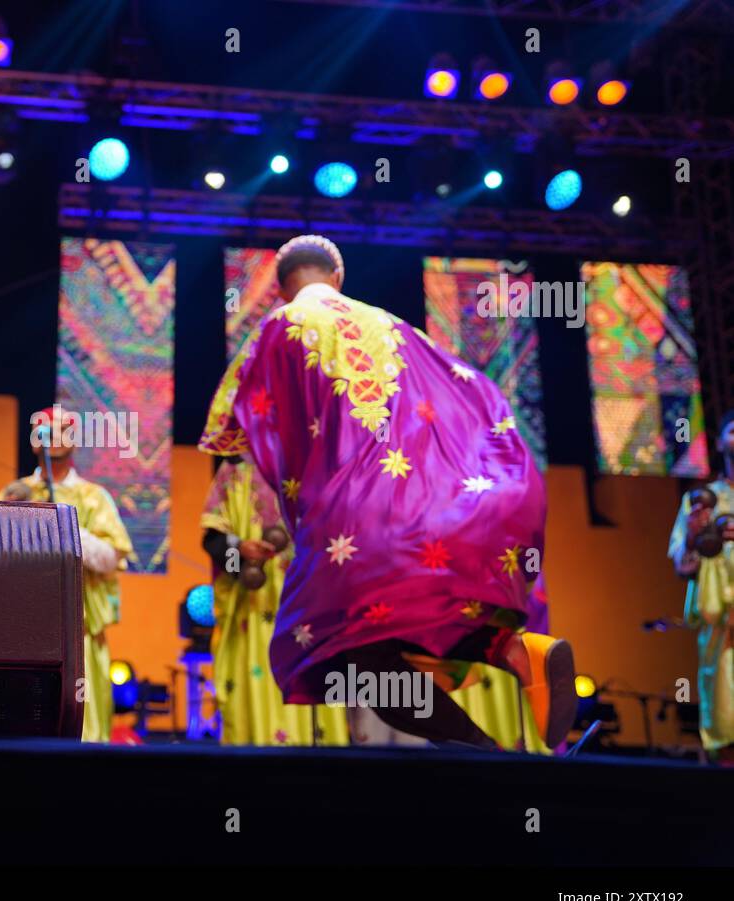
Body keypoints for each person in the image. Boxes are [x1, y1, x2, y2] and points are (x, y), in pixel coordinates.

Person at [199, 234, 575, 750]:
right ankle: (512, 649)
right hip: (440, 503)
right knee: (410, 620)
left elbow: (231, 427)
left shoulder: (278, 327)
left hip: (354, 518)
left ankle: (478, 753)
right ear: (338, 278)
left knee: (344, 653)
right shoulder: (393, 324)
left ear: (283, 289)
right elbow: (464, 394)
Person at [0, 405, 133, 743]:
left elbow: (110, 557)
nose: (51, 439)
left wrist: (66, 529)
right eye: (44, 431)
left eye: (60, 432)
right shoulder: (15, 494)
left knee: (82, 722)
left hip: (79, 627)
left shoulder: (93, 497)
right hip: (23, 627)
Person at [200, 453, 349, 745]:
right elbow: (213, 543)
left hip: (308, 608)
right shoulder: (235, 471)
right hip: (253, 612)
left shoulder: (314, 464)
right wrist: (240, 551)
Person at [668, 409, 734, 764]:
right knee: (724, 707)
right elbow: (683, 566)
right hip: (718, 621)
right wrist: (695, 535)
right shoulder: (701, 501)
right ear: (722, 441)